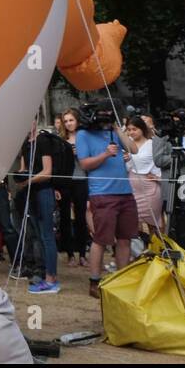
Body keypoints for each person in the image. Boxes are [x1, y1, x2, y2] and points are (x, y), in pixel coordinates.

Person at [75, 110, 135, 298]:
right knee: (101, 239)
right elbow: (85, 164)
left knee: (125, 238)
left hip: (125, 191)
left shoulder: (115, 132)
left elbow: (134, 149)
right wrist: (105, 154)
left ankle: (122, 280)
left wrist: (118, 128)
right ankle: (94, 281)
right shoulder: (83, 135)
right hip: (102, 193)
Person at [14, 122, 60, 294]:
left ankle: (51, 278)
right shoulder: (26, 143)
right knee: (38, 235)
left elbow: (47, 172)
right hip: (30, 194)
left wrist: (28, 180)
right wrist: (20, 178)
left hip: (43, 192)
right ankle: (44, 273)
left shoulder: (42, 140)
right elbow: (23, 169)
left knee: (47, 235)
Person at [56, 109, 89, 266]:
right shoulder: (60, 139)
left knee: (81, 217)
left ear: (77, 121)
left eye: (71, 120)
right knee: (64, 218)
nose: (69, 123)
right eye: (66, 121)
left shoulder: (86, 137)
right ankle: (70, 254)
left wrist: (80, 153)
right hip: (65, 181)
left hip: (81, 179)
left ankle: (82, 254)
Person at [121, 115, 164, 236]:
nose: (131, 132)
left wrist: (159, 177)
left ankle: (158, 247)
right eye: (129, 129)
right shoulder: (127, 146)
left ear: (142, 129)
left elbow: (161, 163)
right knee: (133, 220)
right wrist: (124, 160)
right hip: (132, 187)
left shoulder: (152, 144)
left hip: (150, 187)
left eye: (134, 129)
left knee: (154, 223)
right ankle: (140, 248)